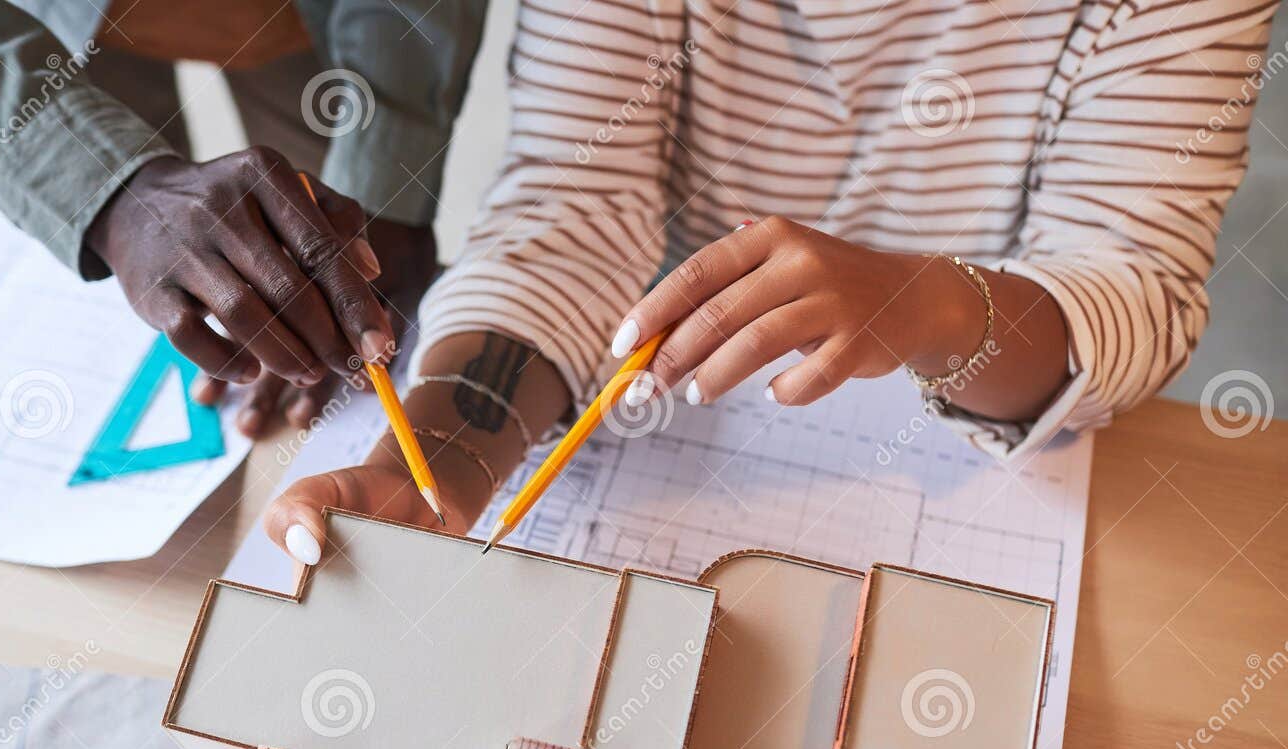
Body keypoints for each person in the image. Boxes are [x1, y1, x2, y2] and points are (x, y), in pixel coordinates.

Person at [261, 0, 1276, 568]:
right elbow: (567, 222)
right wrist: (437, 459)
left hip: (987, 437)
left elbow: (1130, 294)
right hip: (689, 402)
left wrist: (925, 304)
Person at [0, 0, 488, 434]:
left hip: (318, 26)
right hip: (43, 27)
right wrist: (106, 187)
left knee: (319, 252)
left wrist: (387, 175)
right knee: (187, 282)